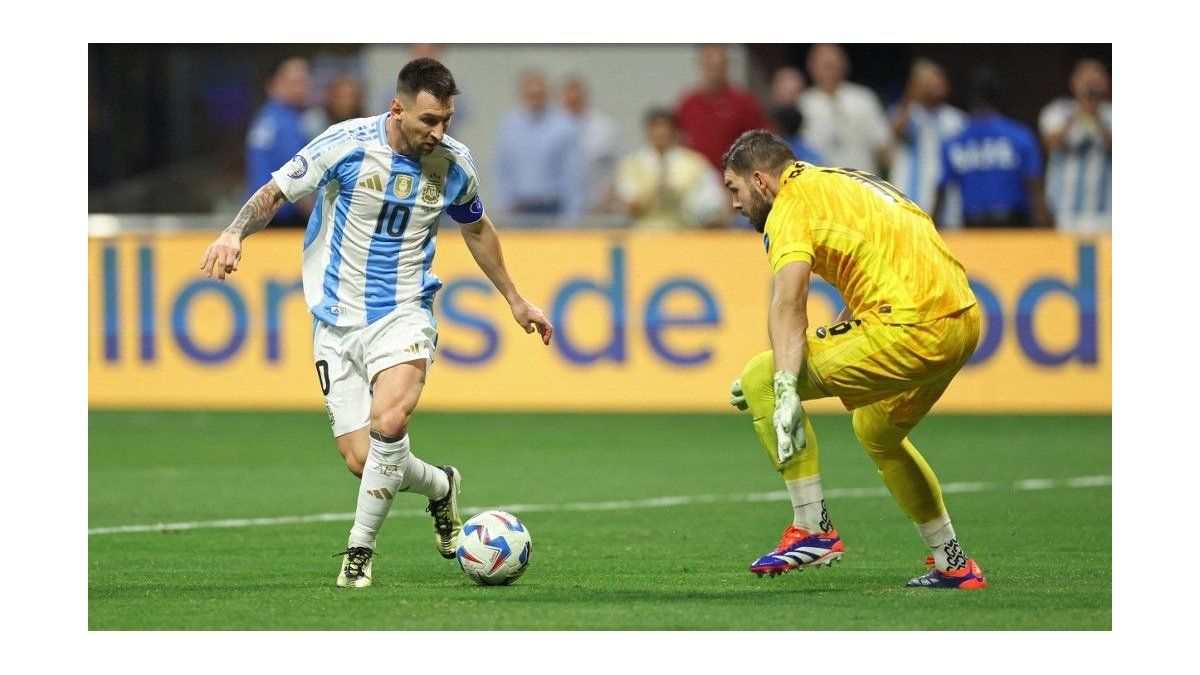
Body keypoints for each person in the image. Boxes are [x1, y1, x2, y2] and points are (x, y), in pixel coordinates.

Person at [199, 58, 554, 588]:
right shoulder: (345, 144)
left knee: (390, 422)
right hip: (335, 319)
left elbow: (477, 230)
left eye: (447, 121)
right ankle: (440, 486)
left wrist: (516, 299)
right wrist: (233, 233)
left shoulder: (454, 164)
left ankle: (357, 554)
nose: (439, 133)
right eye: (428, 120)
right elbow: (276, 191)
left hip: (404, 310)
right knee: (362, 459)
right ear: (398, 109)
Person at [721, 129, 987, 590]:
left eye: (734, 189)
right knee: (876, 430)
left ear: (761, 181)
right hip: (961, 321)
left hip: (911, 326)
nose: (733, 204)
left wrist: (783, 386)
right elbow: (875, 271)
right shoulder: (843, 182)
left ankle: (813, 529)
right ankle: (954, 562)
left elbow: (788, 302)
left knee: (760, 377)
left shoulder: (789, 207)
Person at [934, 67, 1050, 228]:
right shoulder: (1019, 136)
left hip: (973, 229)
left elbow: (941, 194)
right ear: (998, 97)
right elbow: (1035, 191)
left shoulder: (954, 143)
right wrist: (1048, 229)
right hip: (1013, 229)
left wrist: (932, 232)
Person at [493, 70, 586, 225]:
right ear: (522, 94)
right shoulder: (509, 126)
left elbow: (573, 175)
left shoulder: (564, 126)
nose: (534, 100)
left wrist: (571, 217)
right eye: (530, 95)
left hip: (553, 208)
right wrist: (504, 207)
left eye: (539, 95)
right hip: (519, 209)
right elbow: (503, 170)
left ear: (547, 94)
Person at [614, 109, 727, 230]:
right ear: (648, 132)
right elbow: (628, 204)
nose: (660, 132)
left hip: (686, 233)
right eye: (655, 127)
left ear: (674, 131)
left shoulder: (694, 163)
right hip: (644, 235)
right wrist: (654, 193)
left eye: (665, 127)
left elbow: (713, 201)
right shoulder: (632, 165)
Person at [888, 59, 967, 228]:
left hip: (948, 206)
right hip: (910, 199)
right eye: (928, 82)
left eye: (939, 81)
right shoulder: (907, 114)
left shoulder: (956, 119)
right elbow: (897, 131)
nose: (936, 86)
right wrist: (911, 95)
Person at [1039, 59, 1112, 233]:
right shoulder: (1057, 111)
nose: (1090, 86)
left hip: (1106, 213)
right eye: (1086, 81)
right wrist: (1079, 111)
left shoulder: (1111, 114)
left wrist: (1096, 115)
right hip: (1065, 213)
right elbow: (1050, 143)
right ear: (1073, 82)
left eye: (1095, 81)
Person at [676, 45, 775, 171]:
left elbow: (764, 140)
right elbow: (677, 141)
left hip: (733, 179)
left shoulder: (743, 102)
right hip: (696, 180)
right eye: (710, 67)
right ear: (702, 66)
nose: (714, 72)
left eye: (718, 67)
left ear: (726, 67)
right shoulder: (688, 103)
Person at [798, 44, 891, 175]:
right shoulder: (802, 105)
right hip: (821, 188)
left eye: (832, 65)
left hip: (863, 185)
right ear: (811, 67)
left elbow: (884, 145)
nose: (829, 71)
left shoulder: (864, 98)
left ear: (845, 64)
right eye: (824, 65)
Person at [245, 57, 315, 227]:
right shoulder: (286, 122)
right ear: (274, 84)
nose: (301, 88)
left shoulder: (265, 117)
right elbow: (298, 177)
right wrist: (318, 220)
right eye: (294, 82)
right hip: (283, 219)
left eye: (304, 81)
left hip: (259, 214)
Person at [562, 75, 621, 213]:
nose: (573, 101)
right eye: (569, 98)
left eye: (577, 97)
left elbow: (620, 166)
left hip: (597, 207)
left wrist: (611, 194)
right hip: (560, 210)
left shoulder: (605, 128)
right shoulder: (551, 132)